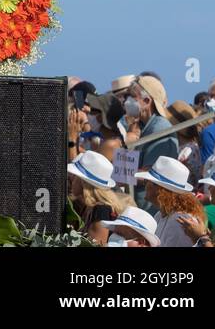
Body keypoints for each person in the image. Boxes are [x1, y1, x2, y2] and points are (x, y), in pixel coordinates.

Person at [125, 75, 178, 214]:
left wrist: (128, 146)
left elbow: (149, 174)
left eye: (132, 97)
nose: (127, 101)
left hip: (150, 210)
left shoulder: (160, 129)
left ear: (147, 101)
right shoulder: (139, 126)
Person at [135, 156, 202, 247]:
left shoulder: (180, 221)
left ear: (159, 189)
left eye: (147, 181)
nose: (145, 184)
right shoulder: (160, 215)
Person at [66, 150, 127, 245]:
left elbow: (95, 244)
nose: (72, 179)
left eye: (75, 176)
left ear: (83, 182)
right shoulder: (82, 204)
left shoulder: (102, 210)